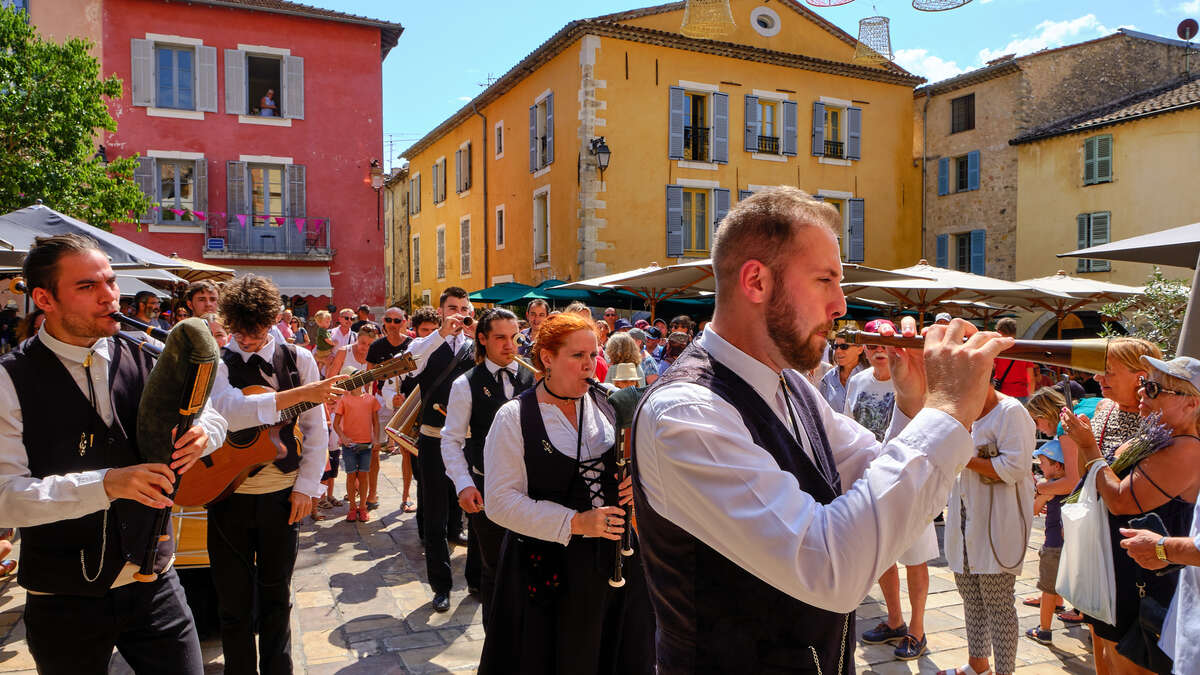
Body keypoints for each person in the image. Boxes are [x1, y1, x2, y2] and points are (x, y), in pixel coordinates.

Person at [631, 187, 1011, 674]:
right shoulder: (686, 413)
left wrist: (915, 405)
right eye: (825, 281)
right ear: (756, 281)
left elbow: (875, 481)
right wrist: (948, 410)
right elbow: (829, 566)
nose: (840, 305)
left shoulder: (791, 384)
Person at [0, 234, 228, 674]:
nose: (110, 296)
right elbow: (6, 497)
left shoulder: (149, 352)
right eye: (88, 286)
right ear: (44, 299)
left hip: (155, 581)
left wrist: (205, 433)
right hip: (63, 597)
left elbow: (211, 412)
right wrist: (105, 484)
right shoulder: (9, 380)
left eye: (110, 281)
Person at [479, 312, 654, 674]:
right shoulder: (514, 417)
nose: (589, 365)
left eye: (593, 355)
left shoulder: (609, 403)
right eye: (577, 356)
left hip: (616, 561)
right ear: (547, 358)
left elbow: (639, 465)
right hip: (548, 570)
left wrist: (636, 483)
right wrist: (575, 522)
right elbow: (499, 502)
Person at [206, 274, 344, 675]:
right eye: (239, 332)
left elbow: (316, 429)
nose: (247, 340)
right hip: (227, 494)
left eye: (256, 331)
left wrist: (307, 487)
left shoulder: (297, 359)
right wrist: (297, 395)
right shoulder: (216, 361)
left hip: (283, 495)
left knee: (276, 597)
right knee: (232, 602)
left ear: (271, 321)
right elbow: (229, 412)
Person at [1061, 354, 1200, 675]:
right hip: (1122, 571)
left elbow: (1121, 501)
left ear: (1191, 404)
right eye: (1144, 384)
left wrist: (1088, 447)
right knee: (1108, 657)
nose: (1141, 392)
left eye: (1153, 389)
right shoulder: (1160, 436)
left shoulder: (1186, 448)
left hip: (1144, 580)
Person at [846, 319, 938, 661]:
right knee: (883, 556)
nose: (878, 351)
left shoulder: (913, 378)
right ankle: (895, 621)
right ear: (864, 350)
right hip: (872, 478)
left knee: (915, 557)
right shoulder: (858, 381)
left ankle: (918, 630)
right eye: (872, 345)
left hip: (910, 478)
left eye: (884, 345)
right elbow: (849, 423)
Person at [440, 308, 535, 629]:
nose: (510, 345)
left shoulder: (532, 376)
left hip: (532, 488)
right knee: (495, 569)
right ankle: (497, 640)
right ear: (482, 339)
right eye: (500, 338)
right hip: (487, 488)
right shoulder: (465, 384)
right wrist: (464, 484)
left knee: (529, 567)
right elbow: (451, 440)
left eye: (514, 337)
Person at [937, 376, 1035, 675]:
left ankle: (1005, 671)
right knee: (970, 594)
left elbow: (1015, 468)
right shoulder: (959, 413)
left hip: (998, 521)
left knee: (997, 602)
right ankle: (977, 664)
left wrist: (964, 457)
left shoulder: (1011, 412)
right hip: (963, 516)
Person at [404, 287, 477, 612]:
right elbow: (409, 367)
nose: (458, 313)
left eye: (463, 308)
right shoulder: (426, 344)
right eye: (452, 307)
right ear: (441, 311)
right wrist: (440, 334)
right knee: (434, 512)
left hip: (470, 440)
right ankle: (441, 586)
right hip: (433, 437)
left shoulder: (475, 345)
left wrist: (480, 336)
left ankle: (476, 579)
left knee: (474, 507)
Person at [1020, 386, 1081, 624]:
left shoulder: (1064, 428)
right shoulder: (1063, 431)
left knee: (1053, 571)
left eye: (1037, 420)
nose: (1037, 427)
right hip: (1068, 530)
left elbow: (1071, 481)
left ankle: (1048, 622)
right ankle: (1064, 602)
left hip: (1058, 535)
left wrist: (1041, 489)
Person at [329, 323, 383, 509]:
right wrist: (333, 401)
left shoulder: (373, 357)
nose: (364, 347)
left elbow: (370, 386)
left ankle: (366, 490)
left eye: (369, 344)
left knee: (368, 450)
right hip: (343, 406)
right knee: (348, 448)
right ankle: (354, 486)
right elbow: (330, 379)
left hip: (364, 407)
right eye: (362, 343)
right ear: (356, 339)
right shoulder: (344, 352)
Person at [1025, 437, 1069, 646]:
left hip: (1053, 546)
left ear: (1057, 465)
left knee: (1048, 588)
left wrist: (1039, 494)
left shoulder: (1049, 487)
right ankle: (1063, 605)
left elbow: (1034, 510)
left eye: (1043, 463)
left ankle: (1044, 630)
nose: (1040, 466)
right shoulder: (1075, 484)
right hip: (1072, 545)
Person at [333, 367, 381, 523]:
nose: (359, 380)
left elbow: (376, 422)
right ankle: (352, 508)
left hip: (366, 444)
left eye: (361, 377)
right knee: (351, 476)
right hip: (349, 446)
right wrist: (343, 437)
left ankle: (363, 508)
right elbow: (336, 424)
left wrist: (376, 439)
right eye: (356, 377)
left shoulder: (371, 399)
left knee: (363, 476)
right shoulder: (344, 400)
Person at [818, 326, 866, 413]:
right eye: (836, 346)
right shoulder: (828, 379)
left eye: (844, 346)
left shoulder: (870, 377)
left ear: (860, 349)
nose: (838, 351)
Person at [991, 318, 1035, 403]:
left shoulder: (998, 349)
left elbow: (989, 373)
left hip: (1001, 393)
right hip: (1021, 394)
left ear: (999, 332)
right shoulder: (1024, 349)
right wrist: (1030, 398)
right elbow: (1031, 379)